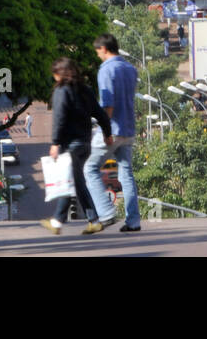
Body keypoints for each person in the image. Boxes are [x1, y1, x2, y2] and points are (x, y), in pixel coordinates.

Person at [40, 58, 111, 235]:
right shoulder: (85, 90)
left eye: (55, 73)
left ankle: (57, 221)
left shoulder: (61, 91)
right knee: (76, 182)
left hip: (70, 144)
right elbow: (100, 113)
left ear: (59, 74)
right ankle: (93, 220)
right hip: (85, 143)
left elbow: (59, 118)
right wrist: (107, 133)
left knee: (69, 181)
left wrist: (55, 142)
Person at [83, 34, 142, 232]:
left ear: (104, 49)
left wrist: (104, 130)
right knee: (126, 173)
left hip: (112, 129)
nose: (98, 55)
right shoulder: (130, 69)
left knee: (89, 168)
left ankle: (106, 213)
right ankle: (133, 221)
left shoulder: (106, 70)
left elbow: (107, 105)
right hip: (129, 128)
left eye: (98, 51)